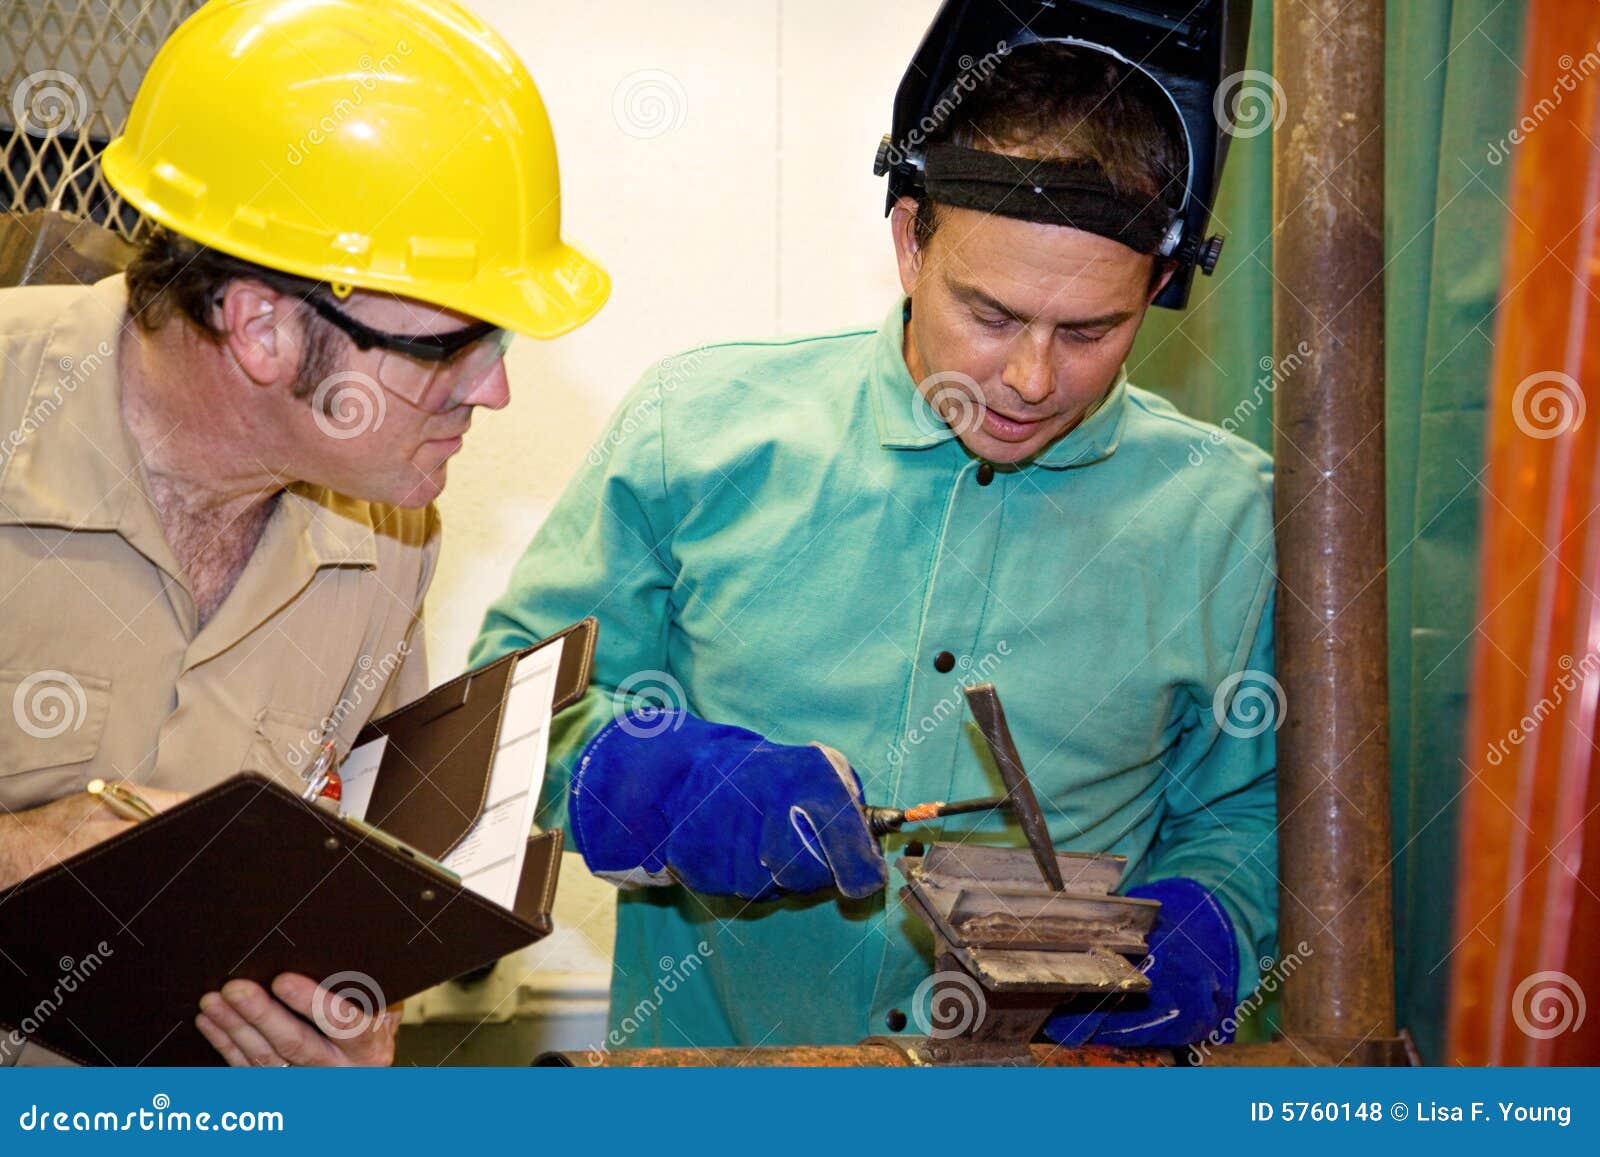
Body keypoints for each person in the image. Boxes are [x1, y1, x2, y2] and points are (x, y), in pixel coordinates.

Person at [473, 19, 1276, 1049]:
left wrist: (1221, 920)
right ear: (909, 239)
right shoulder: (699, 428)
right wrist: (655, 774)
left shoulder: (1227, 515)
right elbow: (508, 711)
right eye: (989, 314)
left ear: (1157, 284)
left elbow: (1253, 808)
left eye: (1089, 332)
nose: (1031, 379)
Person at [0, 0, 606, 1066]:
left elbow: (351, 873)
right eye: (454, 345)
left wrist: (347, 1027)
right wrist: (32, 849)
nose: (496, 389)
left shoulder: (390, 528)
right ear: (264, 326)